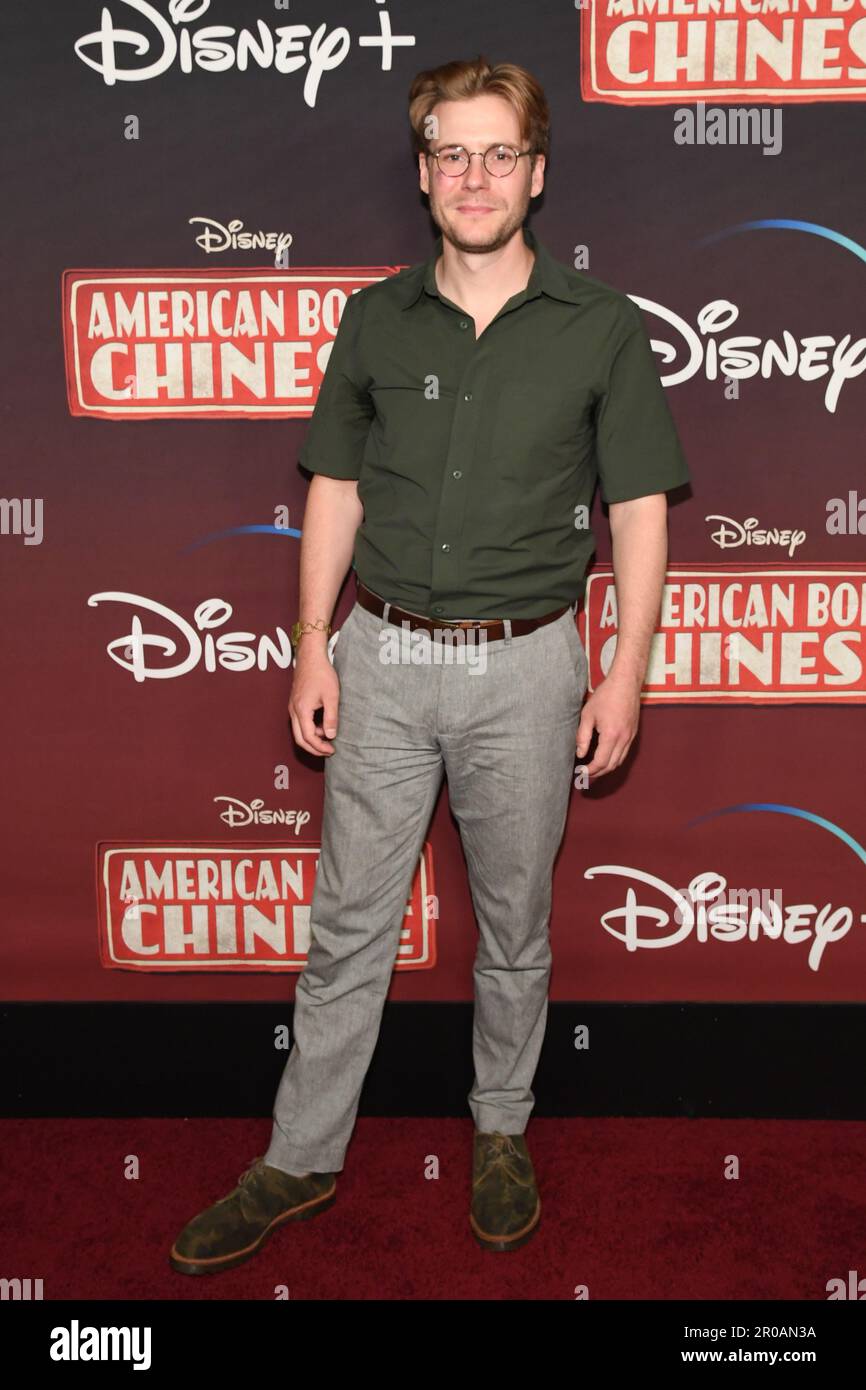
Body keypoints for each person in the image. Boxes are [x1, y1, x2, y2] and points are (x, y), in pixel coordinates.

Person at [169, 54, 690, 1275]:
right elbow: (334, 486)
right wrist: (311, 645)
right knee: (347, 926)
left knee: (512, 927)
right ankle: (299, 1157)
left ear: (537, 173)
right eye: (451, 152)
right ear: (421, 173)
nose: (473, 174)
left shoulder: (601, 329)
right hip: (383, 658)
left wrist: (623, 673)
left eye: (496, 152)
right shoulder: (373, 317)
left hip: (530, 671)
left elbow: (640, 510)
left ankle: (500, 1129)